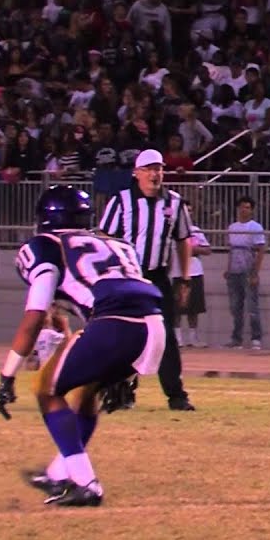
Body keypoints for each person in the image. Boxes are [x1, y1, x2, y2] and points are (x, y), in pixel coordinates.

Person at [0, 186, 166, 506]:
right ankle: (60, 473)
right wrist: (126, 373)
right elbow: (131, 294)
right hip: (155, 327)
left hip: (115, 325)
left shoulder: (46, 246)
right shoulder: (118, 243)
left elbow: (34, 318)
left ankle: (86, 483)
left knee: (46, 388)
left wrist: (7, 376)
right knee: (86, 391)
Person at [97, 149, 196, 411]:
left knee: (165, 337)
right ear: (137, 173)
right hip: (128, 276)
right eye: (149, 169)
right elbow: (105, 238)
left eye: (159, 169)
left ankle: (176, 395)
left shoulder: (174, 202)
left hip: (157, 277)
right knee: (122, 335)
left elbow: (184, 240)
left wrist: (185, 279)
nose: (155, 174)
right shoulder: (121, 201)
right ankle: (120, 391)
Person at [226, 195, 266, 349]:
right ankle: (237, 339)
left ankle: (256, 338)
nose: (244, 210)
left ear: (252, 210)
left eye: (248, 207)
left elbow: (261, 251)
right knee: (235, 307)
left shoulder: (256, 228)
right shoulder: (232, 227)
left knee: (252, 307)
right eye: (242, 207)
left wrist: (255, 273)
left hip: (248, 271)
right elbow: (231, 250)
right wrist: (228, 269)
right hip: (234, 272)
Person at [172, 203, 210, 348]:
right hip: (177, 272)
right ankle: (177, 338)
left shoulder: (196, 231)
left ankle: (193, 338)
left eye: (190, 211)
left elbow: (207, 250)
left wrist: (192, 249)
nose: (188, 213)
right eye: (185, 211)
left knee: (194, 307)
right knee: (177, 307)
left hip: (195, 272)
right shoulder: (172, 230)